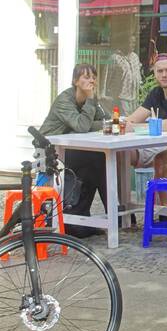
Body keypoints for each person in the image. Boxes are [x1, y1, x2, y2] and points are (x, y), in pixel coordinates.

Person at [39, 64, 109, 237]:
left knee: (100, 157)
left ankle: (85, 215)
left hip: (73, 148)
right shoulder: (65, 100)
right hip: (50, 152)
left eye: (93, 77)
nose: (91, 80)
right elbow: (82, 126)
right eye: (86, 77)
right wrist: (91, 101)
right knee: (97, 159)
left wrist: (100, 120)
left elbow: (105, 120)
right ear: (75, 81)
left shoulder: (90, 100)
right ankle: (112, 213)